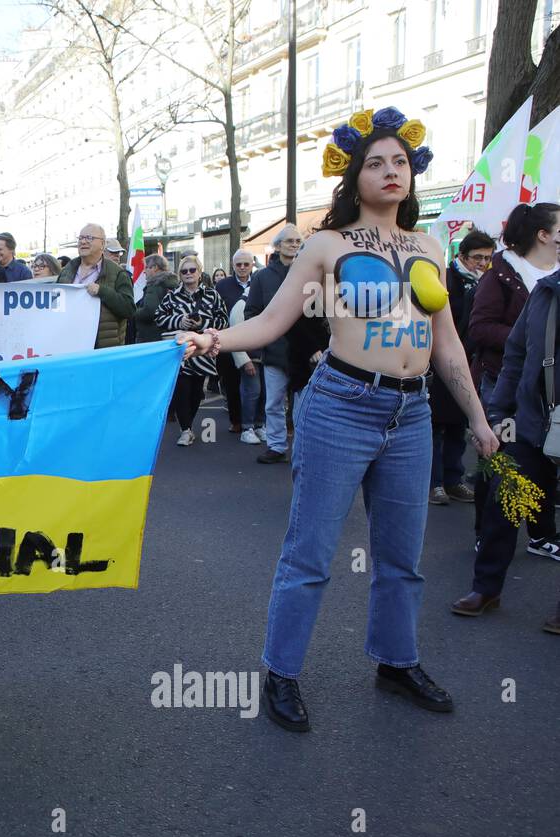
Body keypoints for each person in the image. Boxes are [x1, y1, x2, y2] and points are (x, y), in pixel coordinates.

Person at [175, 107, 499, 732]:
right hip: (340, 407)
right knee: (311, 553)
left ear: (413, 171)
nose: (390, 172)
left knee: (403, 556)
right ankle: (282, 672)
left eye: (399, 162)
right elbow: (273, 322)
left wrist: (480, 421)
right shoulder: (328, 245)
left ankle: (397, 661)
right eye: (375, 163)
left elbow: (449, 345)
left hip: (411, 413)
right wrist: (215, 338)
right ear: (354, 177)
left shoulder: (429, 245)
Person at [451, 215, 560, 618]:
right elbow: (514, 354)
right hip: (530, 419)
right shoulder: (544, 291)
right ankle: (486, 589)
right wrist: (498, 411)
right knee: (504, 503)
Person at [429, 228, 492, 506]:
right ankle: (435, 483)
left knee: (457, 425)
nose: (481, 263)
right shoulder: (446, 278)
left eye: (487, 258)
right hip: (439, 362)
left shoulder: (486, 283)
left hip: (468, 363)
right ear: (461, 255)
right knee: (435, 427)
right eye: (476, 257)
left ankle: (454, 480)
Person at [244, 225, 304, 463]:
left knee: (302, 409)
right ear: (278, 246)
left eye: (298, 241)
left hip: (306, 353)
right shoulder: (262, 277)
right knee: (274, 403)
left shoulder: (310, 274)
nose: (294, 245)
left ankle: (302, 449)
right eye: (289, 241)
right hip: (275, 352)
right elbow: (252, 312)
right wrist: (261, 344)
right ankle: (277, 446)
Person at [156, 254, 228, 445]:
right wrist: (179, 321)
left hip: (202, 352)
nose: (188, 274)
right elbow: (159, 318)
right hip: (179, 352)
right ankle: (186, 430)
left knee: (196, 392)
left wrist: (202, 322)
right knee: (181, 390)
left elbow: (223, 320)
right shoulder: (172, 296)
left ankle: (188, 426)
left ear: (199, 272)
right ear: (179, 274)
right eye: (184, 271)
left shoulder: (212, 295)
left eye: (192, 270)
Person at [57, 223, 135, 348]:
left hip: (102, 350)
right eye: (81, 238)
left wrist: (102, 291)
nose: (83, 242)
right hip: (70, 344)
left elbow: (129, 309)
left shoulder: (118, 273)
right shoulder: (67, 271)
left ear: (102, 244)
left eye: (89, 238)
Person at [215, 251, 258, 440]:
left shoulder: (258, 282)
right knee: (231, 382)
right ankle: (237, 421)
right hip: (228, 341)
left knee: (256, 387)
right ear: (233, 265)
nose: (242, 268)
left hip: (255, 340)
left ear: (251, 265)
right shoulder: (222, 285)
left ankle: (257, 422)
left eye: (246, 264)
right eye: (238, 264)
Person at [135, 253, 178, 345]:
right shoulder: (172, 284)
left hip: (151, 338)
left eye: (146, 267)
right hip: (169, 335)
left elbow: (150, 311)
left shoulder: (154, 285)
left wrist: (133, 312)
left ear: (155, 267)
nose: (144, 271)